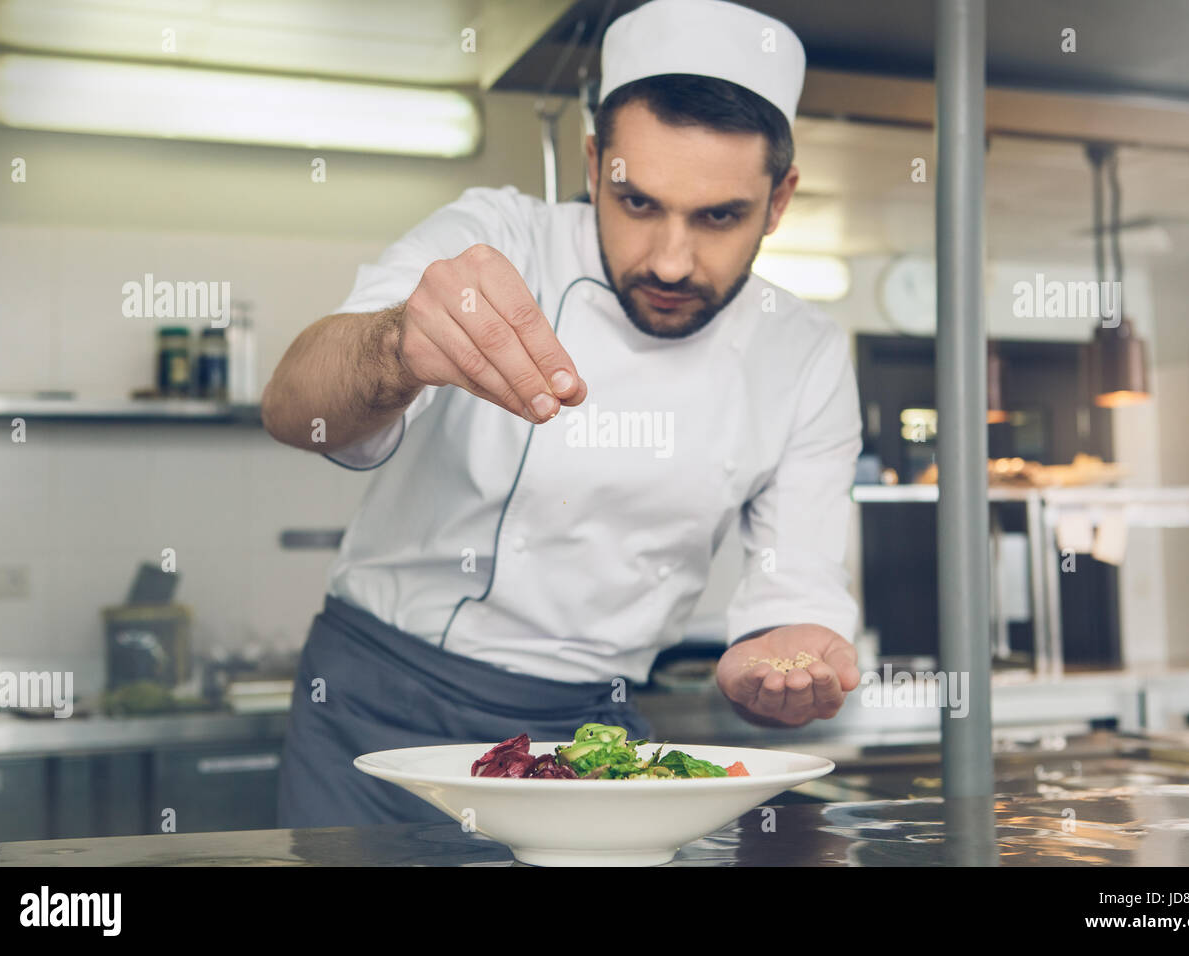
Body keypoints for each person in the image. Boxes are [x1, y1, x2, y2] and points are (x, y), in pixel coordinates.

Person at [264, 0, 864, 827]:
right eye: (640, 203)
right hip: (380, 709)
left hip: (591, 739)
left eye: (719, 216)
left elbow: (794, 588)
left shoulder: (804, 352)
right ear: (594, 165)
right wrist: (396, 343)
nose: (671, 260)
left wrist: (778, 661)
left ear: (781, 198)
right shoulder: (496, 238)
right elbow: (294, 409)